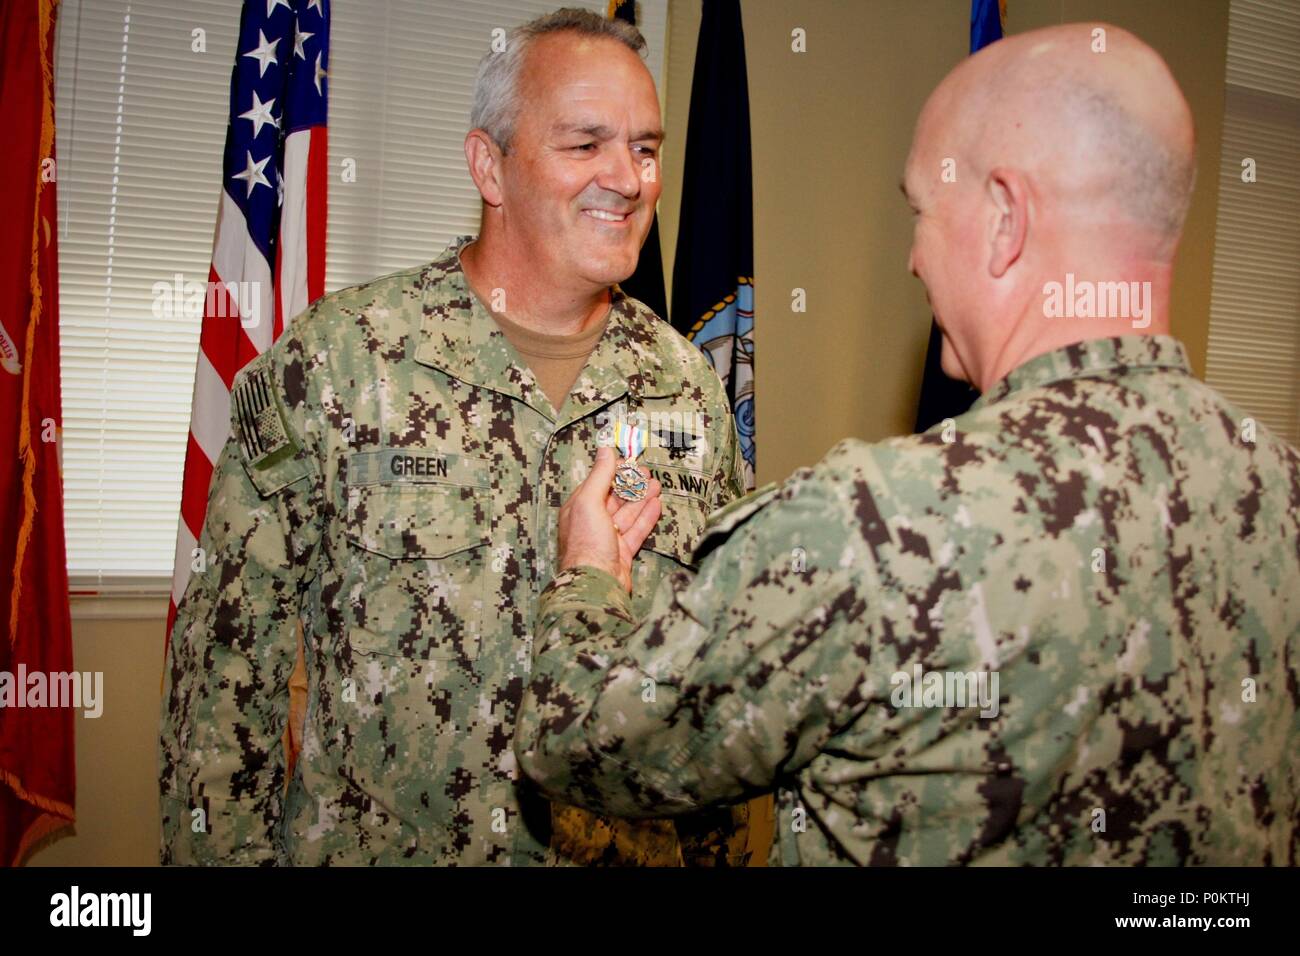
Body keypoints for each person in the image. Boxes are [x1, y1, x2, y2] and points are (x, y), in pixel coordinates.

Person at [515, 22, 1300, 866]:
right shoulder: (1279, 487)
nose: (916, 260)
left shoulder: (871, 523)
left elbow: (577, 741)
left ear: (1005, 220)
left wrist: (589, 575)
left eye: (923, 211)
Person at [160, 7, 759, 866]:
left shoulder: (690, 388)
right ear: (490, 164)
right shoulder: (342, 361)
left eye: (646, 148)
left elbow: (714, 684)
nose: (627, 178)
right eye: (585, 145)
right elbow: (222, 682)